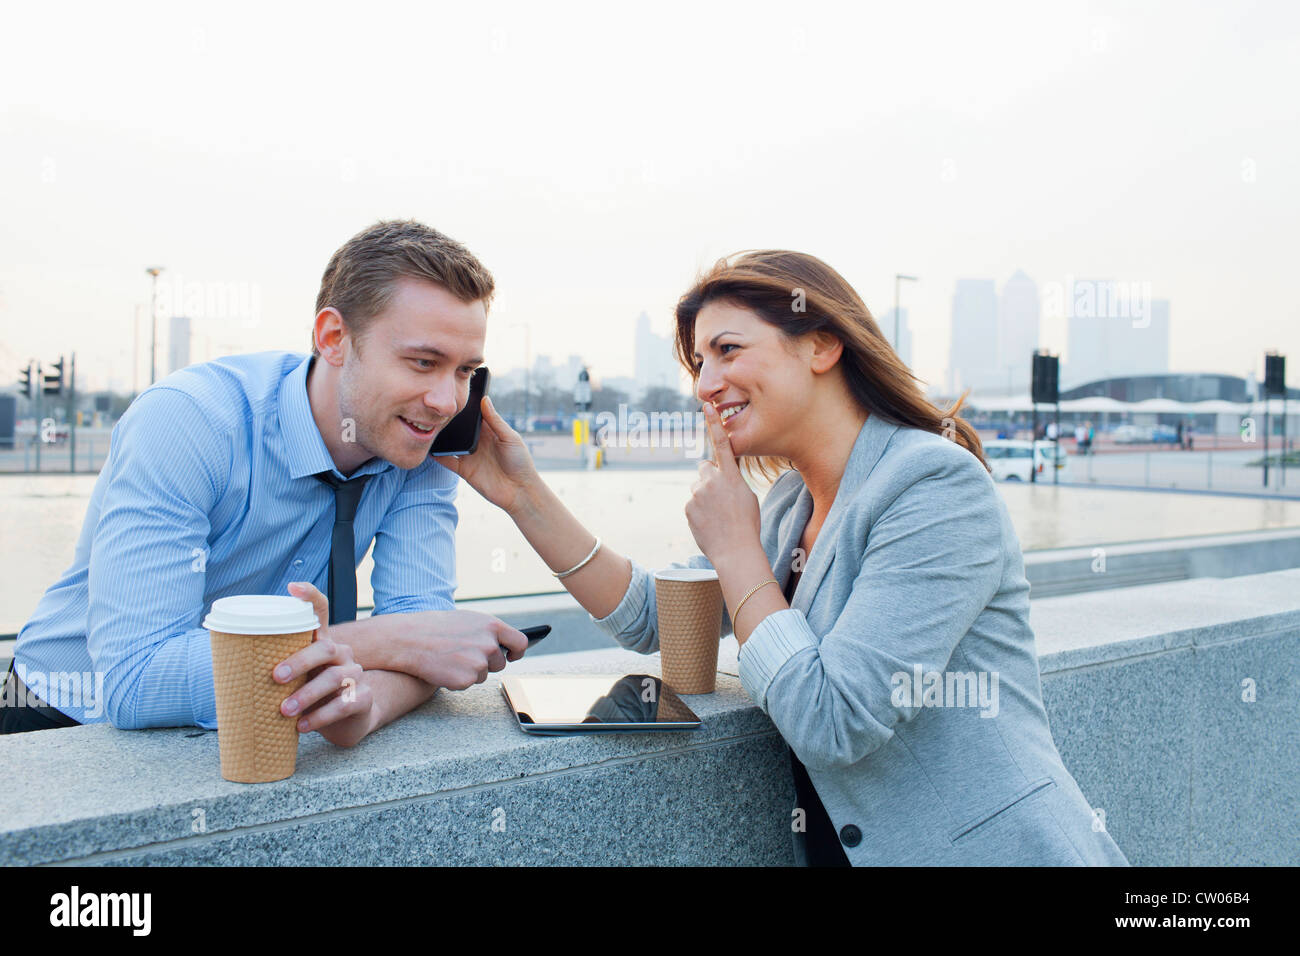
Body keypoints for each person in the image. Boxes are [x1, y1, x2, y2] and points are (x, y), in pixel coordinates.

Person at [446, 250, 1130, 866]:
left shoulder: (933, 487)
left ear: (823, 344)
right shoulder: (792, 503)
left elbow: (836, 719)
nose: (705, 384)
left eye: (727, 350)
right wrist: (522, 494)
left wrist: (736, 546)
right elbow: (657, 620)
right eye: (698, 364)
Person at [1, 220, 528, 740]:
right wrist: (373, 641)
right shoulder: (189, 421)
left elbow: (427, 645)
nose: (446, 401)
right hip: (63, 723)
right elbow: (136, 681)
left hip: (257, 723)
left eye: (464, 371)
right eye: (422, 362)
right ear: (334, 337)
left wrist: (362, 711)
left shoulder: (418, 439)